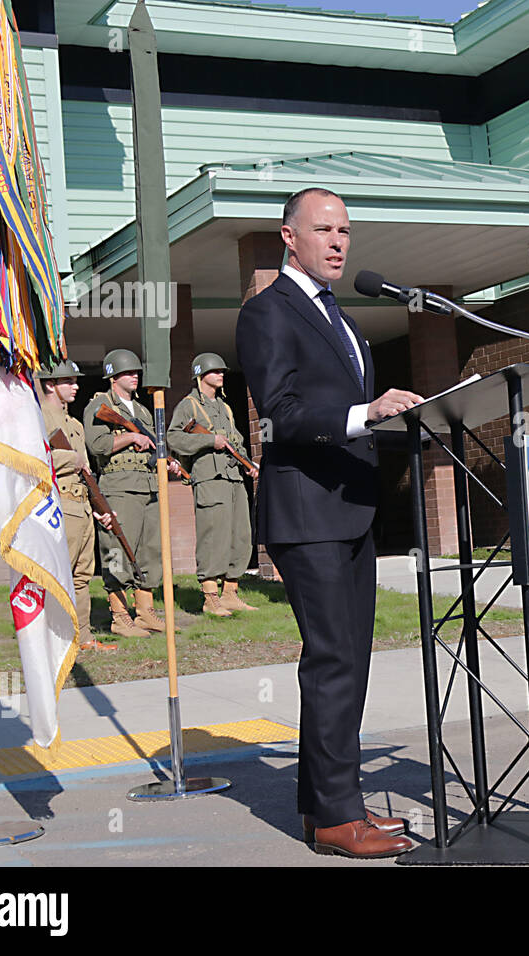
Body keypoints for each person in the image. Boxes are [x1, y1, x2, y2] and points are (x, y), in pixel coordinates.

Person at [235, 186, 423, 858]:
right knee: (333, 659)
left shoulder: (341, 315)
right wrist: (364, 412)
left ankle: (330, 806)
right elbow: (280, 414)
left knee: (352, 659)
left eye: (345, 230)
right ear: (289, 236)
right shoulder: (267, 313)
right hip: (306, 511)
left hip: (352, 507)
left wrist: (392, 419)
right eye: (324, 230)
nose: (339, 242)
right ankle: (337, 818)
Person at [82, 349, 183, 637]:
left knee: (150, 549)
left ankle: (145, 612)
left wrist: (168, 461)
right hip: (118, 486)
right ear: (113, 377)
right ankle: (118, 615)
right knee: (117, 548)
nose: (134, 376)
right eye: (128, 372)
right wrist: (130, 436)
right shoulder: (100, 405)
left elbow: (153, 445)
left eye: (137, 372)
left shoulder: (141, 411)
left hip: (147, 485)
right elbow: (98, 446)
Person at [167, 353, 260, 616]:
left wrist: (248, 464)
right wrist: (209, 441)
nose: (221, 374)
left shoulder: (225, 407)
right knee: (213, 537)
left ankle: (230, 593)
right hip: (210, 478)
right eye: (215, 370)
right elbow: (174, 438)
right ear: (201, 374)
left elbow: (236, 440)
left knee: (240, 534)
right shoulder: (189, 406)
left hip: (232, 477)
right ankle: (210, 598)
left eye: (222, 370)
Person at [38, 360, 116, 650]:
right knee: (59, 574)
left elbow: (86, 473)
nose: (76, 386)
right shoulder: (39, 419)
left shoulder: (73, 424)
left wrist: (99, 508)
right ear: (50, 384)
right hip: (58, 505)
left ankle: (81, 637)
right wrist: (71, 460)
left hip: (80, 506)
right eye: (68, 381)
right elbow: (35, 461)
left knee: (82, 575)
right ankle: (53, 639)